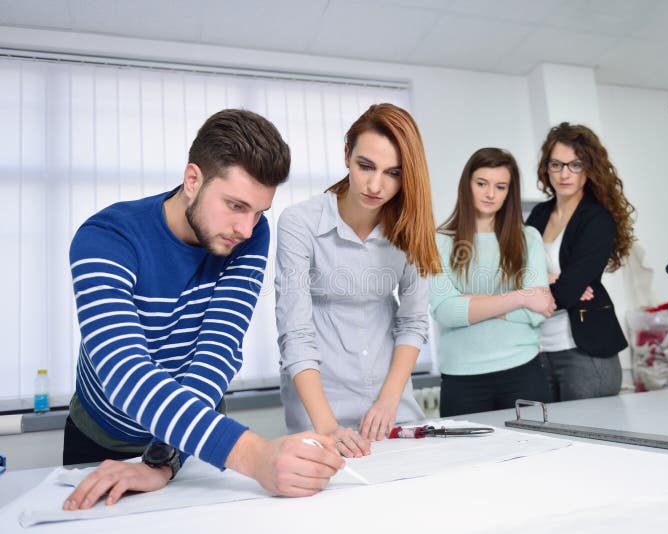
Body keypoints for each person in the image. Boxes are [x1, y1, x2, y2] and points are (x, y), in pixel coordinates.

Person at [63, 109, 343, 511]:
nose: (246, 229)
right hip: (104, 434)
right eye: (235, 205)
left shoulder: (248, 236)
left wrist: (163, 460)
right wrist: (257, 456)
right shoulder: (105, 238)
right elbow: (124, 372)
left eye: (259, 212)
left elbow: (217, 350)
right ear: (192, 180)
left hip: (192, 432)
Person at [275, 103, 441, 458]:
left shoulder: (410, 231)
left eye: (393, 173)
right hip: (320, 411)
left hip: (391, 406)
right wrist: (328, 426)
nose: (376, 185)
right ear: (347, 154)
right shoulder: (300, 222)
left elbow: (412, 322)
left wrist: (387, 402)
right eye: (365, 166)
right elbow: (295, 331)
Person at [429, 148, 556, 417]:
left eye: (500, 187)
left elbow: (539, 311)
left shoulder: (528, 239)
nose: (490, 194)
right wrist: (520, 297)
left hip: (523, 372)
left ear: (510, 192)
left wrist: (471, 303)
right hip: (461, 379)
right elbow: (446, 312)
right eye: (481, 184)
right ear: (467, 185)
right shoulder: (440, 241)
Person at [526, 122, 635, 401]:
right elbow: (513, 272)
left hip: (585, 354)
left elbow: (566, 293)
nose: (564, 174)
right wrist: (551, 280)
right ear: (546, 167)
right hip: (538, 350)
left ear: (590, 168)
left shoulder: (597, 220)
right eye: (556, 165)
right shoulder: (539, 214)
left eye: (575, 165)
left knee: (590, 440)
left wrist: (540, 287)